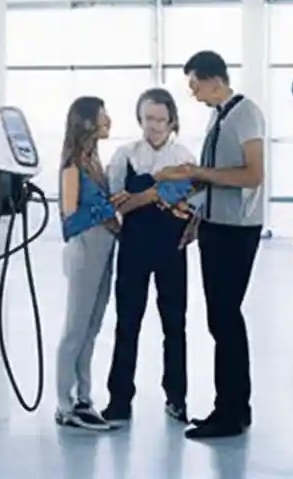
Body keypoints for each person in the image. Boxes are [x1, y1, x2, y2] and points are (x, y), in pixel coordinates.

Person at [157, 49, 265, 440]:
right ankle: (236, 405)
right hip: (215, 227)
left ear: (214, 79)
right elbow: (213, 180)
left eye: (194, 84)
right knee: (221, 318)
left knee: (225, 318)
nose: (193, 93)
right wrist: (196, 220)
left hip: (237, 230)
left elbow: (253, 174)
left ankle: (230, 413)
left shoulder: (246, 114)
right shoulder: (218, 118)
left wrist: (196, 171)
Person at [99, 88, 196, 427]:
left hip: (172, 249)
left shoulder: (184, 156)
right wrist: (158, 193)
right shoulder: (125, 154)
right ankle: (119, 400)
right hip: (134, 246)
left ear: (172, 121)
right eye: (147, 119)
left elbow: (191, 204)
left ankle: (177, 398)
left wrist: (143, 193)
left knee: (175, 326)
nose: (153, 126)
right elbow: (117, 204)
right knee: (127, 324)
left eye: (159, 119)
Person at [54, 95, 118, 431]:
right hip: (85, 250)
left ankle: (84, 399)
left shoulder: (95, 161)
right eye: (104, 116)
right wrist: (109, 210)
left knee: (92, 328)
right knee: (75, 330)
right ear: (87, 122)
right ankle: (65, 406)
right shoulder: (73, 166)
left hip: (105, 250)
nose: (109, 121)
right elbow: (70, 219)